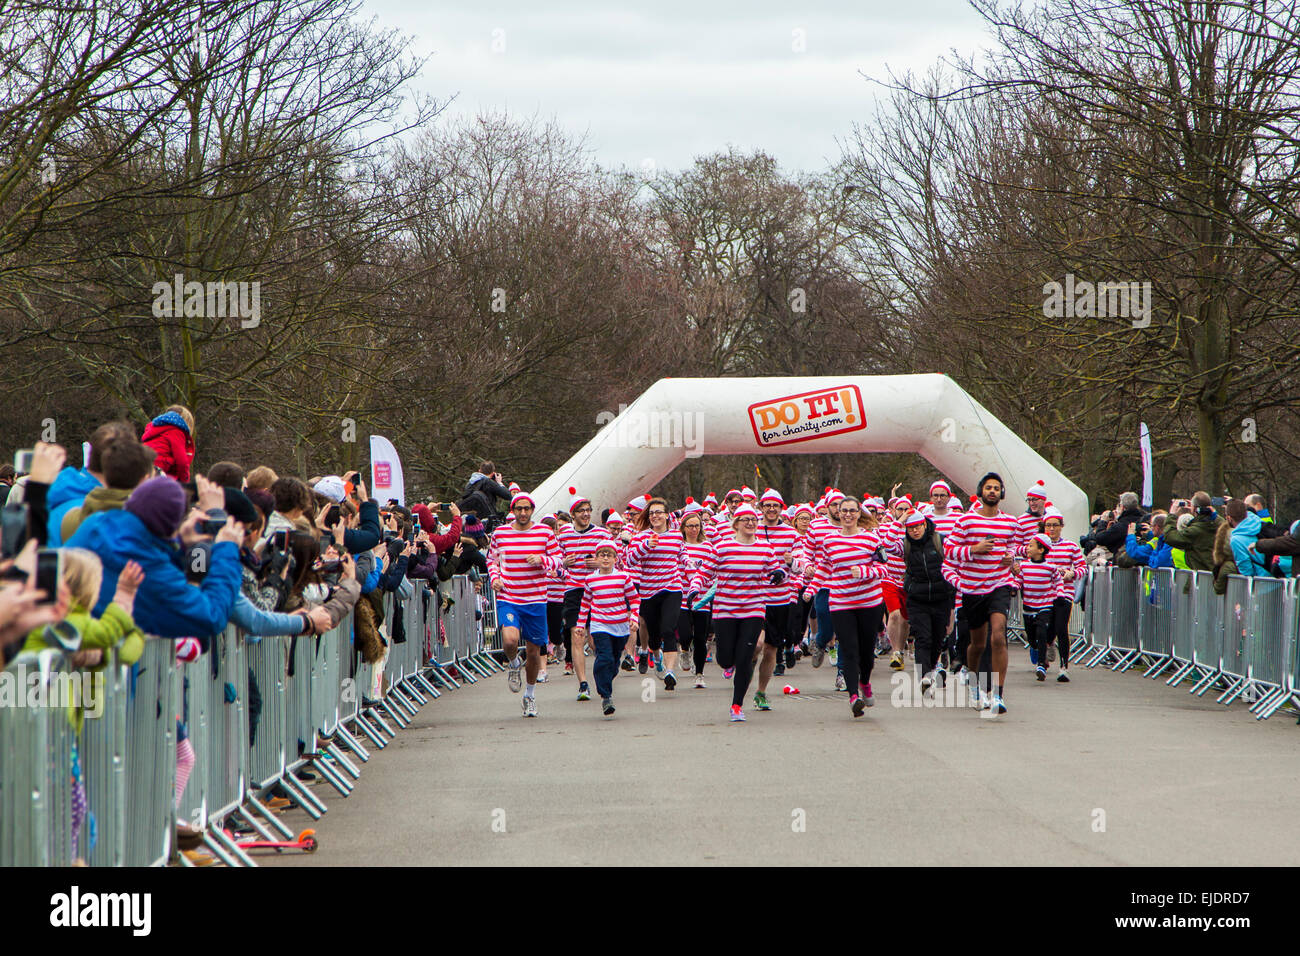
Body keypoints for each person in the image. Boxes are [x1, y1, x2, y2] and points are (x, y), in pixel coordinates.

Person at [66, 474, 244, 639]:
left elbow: (147, 547)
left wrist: (181, 546)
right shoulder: (150, 571)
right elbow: (211, 617)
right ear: (172, 526)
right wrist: (226, 549)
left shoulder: (94, 525)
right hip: (100, 667)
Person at [687, 504, 783, 722]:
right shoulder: (722, 547)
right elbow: (704, 573)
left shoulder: (765, 548)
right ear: (736, 523)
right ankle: (727, 664)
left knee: (744, 658)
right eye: (745, 519)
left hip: (753, 609)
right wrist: (694, 589)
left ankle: (737, 705)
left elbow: (776, 569)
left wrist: (778, 573)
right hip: (725, 610)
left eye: (753, 520)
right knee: (725, 658)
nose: (750, 523)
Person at [803, 495, 888, 718]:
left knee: (866, 652)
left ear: (860, 514)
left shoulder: (871, 539)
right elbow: (823, 567)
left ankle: (865, 683)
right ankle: (853, 696)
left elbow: (884, 570)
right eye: (844, 511)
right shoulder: (830, 541)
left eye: (852, 511)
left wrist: (865, 572)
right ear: (838, 514)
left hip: (869, 601)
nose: (848, 515)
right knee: (848, 648)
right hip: (841, 601)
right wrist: (812, 589)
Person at [943, 472, 1020, 715]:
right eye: (988, 487)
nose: (993, 491)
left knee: (998, 636)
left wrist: (1010, 559)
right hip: (973, 588)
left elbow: (1011, 549)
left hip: (999, 585)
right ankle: (975, 686)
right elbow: (948, 550)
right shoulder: (966, 521)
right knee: (976, 644)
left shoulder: (1010, 522)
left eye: (997, 488)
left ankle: (997, 694)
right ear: (980, 491)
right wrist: (974, 549)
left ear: (1002, 493)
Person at [487, 491, 562, 717]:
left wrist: (542, 559)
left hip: (536, 600)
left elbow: (559, 562)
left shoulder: (544, 532)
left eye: (526, 509)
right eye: (518, 509)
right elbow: (491, 559)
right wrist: (495, 578)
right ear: (513, 510)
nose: (522, 512)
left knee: (533, 653)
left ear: (532, 510)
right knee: (509, 640)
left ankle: (529, 696)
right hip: (510, 596)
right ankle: (512, 663)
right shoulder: (500, 533)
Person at [626, 497, 688, 689]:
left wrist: (690, 563)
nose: (655, 516)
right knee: (653, 636)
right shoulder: (641, 537)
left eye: (659, 512)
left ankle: (670, 671)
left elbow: (682, 554)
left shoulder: (677, 536)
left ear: (667, 515)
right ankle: (656, 656)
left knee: (668, 630)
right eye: (652, 513)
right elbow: (629, 561)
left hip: (672, 588)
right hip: (648, 591)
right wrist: (646, 546)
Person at [556, 488, 611, 702]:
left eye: (588, 510)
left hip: (597, 589)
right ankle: (583, 684)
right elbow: (556, 564)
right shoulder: (565, 535)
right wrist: (563, 563)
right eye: (581, 511)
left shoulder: (601, 534)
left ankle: (605, 671)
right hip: (573, 590)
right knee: (576, 636)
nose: (586, 514)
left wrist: (600, 562)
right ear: (573, 514)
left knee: (596, 639)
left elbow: (617, 561)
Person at [573, 542, 639, 716]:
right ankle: (606, 696)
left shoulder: (623, 577)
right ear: (596, 558)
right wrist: (580, 625)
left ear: (615, 559)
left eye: (609, 555)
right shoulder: (591, 579)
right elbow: (585, 603)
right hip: (600, 624)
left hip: (620, 626)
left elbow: (635, 599)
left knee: (614, 662)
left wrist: (633, 618)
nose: (605, 558)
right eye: (601, 554)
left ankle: (605, 682)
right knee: (604, 658)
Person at [896, 510, 954, 693]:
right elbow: (886, 542)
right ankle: (924, 675)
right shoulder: (905, 545)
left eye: (917, 526)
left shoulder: (940, 541)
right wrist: (900, 520)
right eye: (910, 528)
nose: (914, 531)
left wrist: (952, 603)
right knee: (923, 637)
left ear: (924, 525)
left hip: (941, 597)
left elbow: (955, 563)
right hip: (917, 598)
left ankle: (932, 667)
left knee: (937, 638)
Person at [752, 488, 799, 708]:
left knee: (771, 648)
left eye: (776, 506)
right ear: (760, 508)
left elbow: (802, 564)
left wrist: (790, 564)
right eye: (767, 505)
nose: (771, 509)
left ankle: (761, 691)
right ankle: (745, 668)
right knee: (757, 645)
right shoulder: (751, 528)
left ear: (781, 509)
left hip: (780, 599)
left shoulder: (791, 534)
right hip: (753, 598)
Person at [1040, 504, 1085, 681]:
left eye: (1055, 525)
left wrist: (1072, 573)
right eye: (1048, 525)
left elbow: (1082, 567)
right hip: (1043, 593)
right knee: (1046, 629)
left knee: (1061, 627)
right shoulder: (1039, 545)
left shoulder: (1070, 546)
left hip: (1064, 592)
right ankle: (1046, 646)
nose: (1051, 529)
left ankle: (1064, 667)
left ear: (1061, 526)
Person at [675, 504, 715, 687]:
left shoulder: (707, 547)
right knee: (684, 634)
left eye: (697, 526)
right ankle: (684, 649)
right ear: (683, 528)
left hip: (702, 598)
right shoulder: (679, 546)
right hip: (682, 596)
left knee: (700, 638)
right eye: (690, 526)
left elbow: (712, 570)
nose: (693, 529)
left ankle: (699, 674)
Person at [1016, 533, 1064, 682]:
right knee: (1031, 637)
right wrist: (1013, 587)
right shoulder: (1024, 565)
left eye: (1031, 546)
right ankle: (1035, 648)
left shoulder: (1050, 567)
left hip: (1045, 605)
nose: (1027, 548)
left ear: (1041, 549)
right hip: (1028, 607)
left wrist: (1060, 595)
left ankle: (1041, 664)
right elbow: (1018, 580)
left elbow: (1058, 581)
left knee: (1042, 633)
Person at [1162, 492, 1221, 571]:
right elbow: (1222, 522)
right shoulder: (1217, 524)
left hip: (1202, 575)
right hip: (1215, 573)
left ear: (1195, 508)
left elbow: (1170, 537)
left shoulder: (1196, 530)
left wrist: (1172, 515)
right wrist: (1213, 514)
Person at [141, 405, 196, 482]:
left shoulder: (155, 429)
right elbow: (181, 461)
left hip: (143, 466)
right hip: (159, 468)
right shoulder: (176, 432)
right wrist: (185, 481)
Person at [1226, 499, 1269, 577]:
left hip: (1261, 581)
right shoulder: (1257, 521)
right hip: (1277, 577)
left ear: (1229, 518)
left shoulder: (1236, 540)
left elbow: (1246, 569)